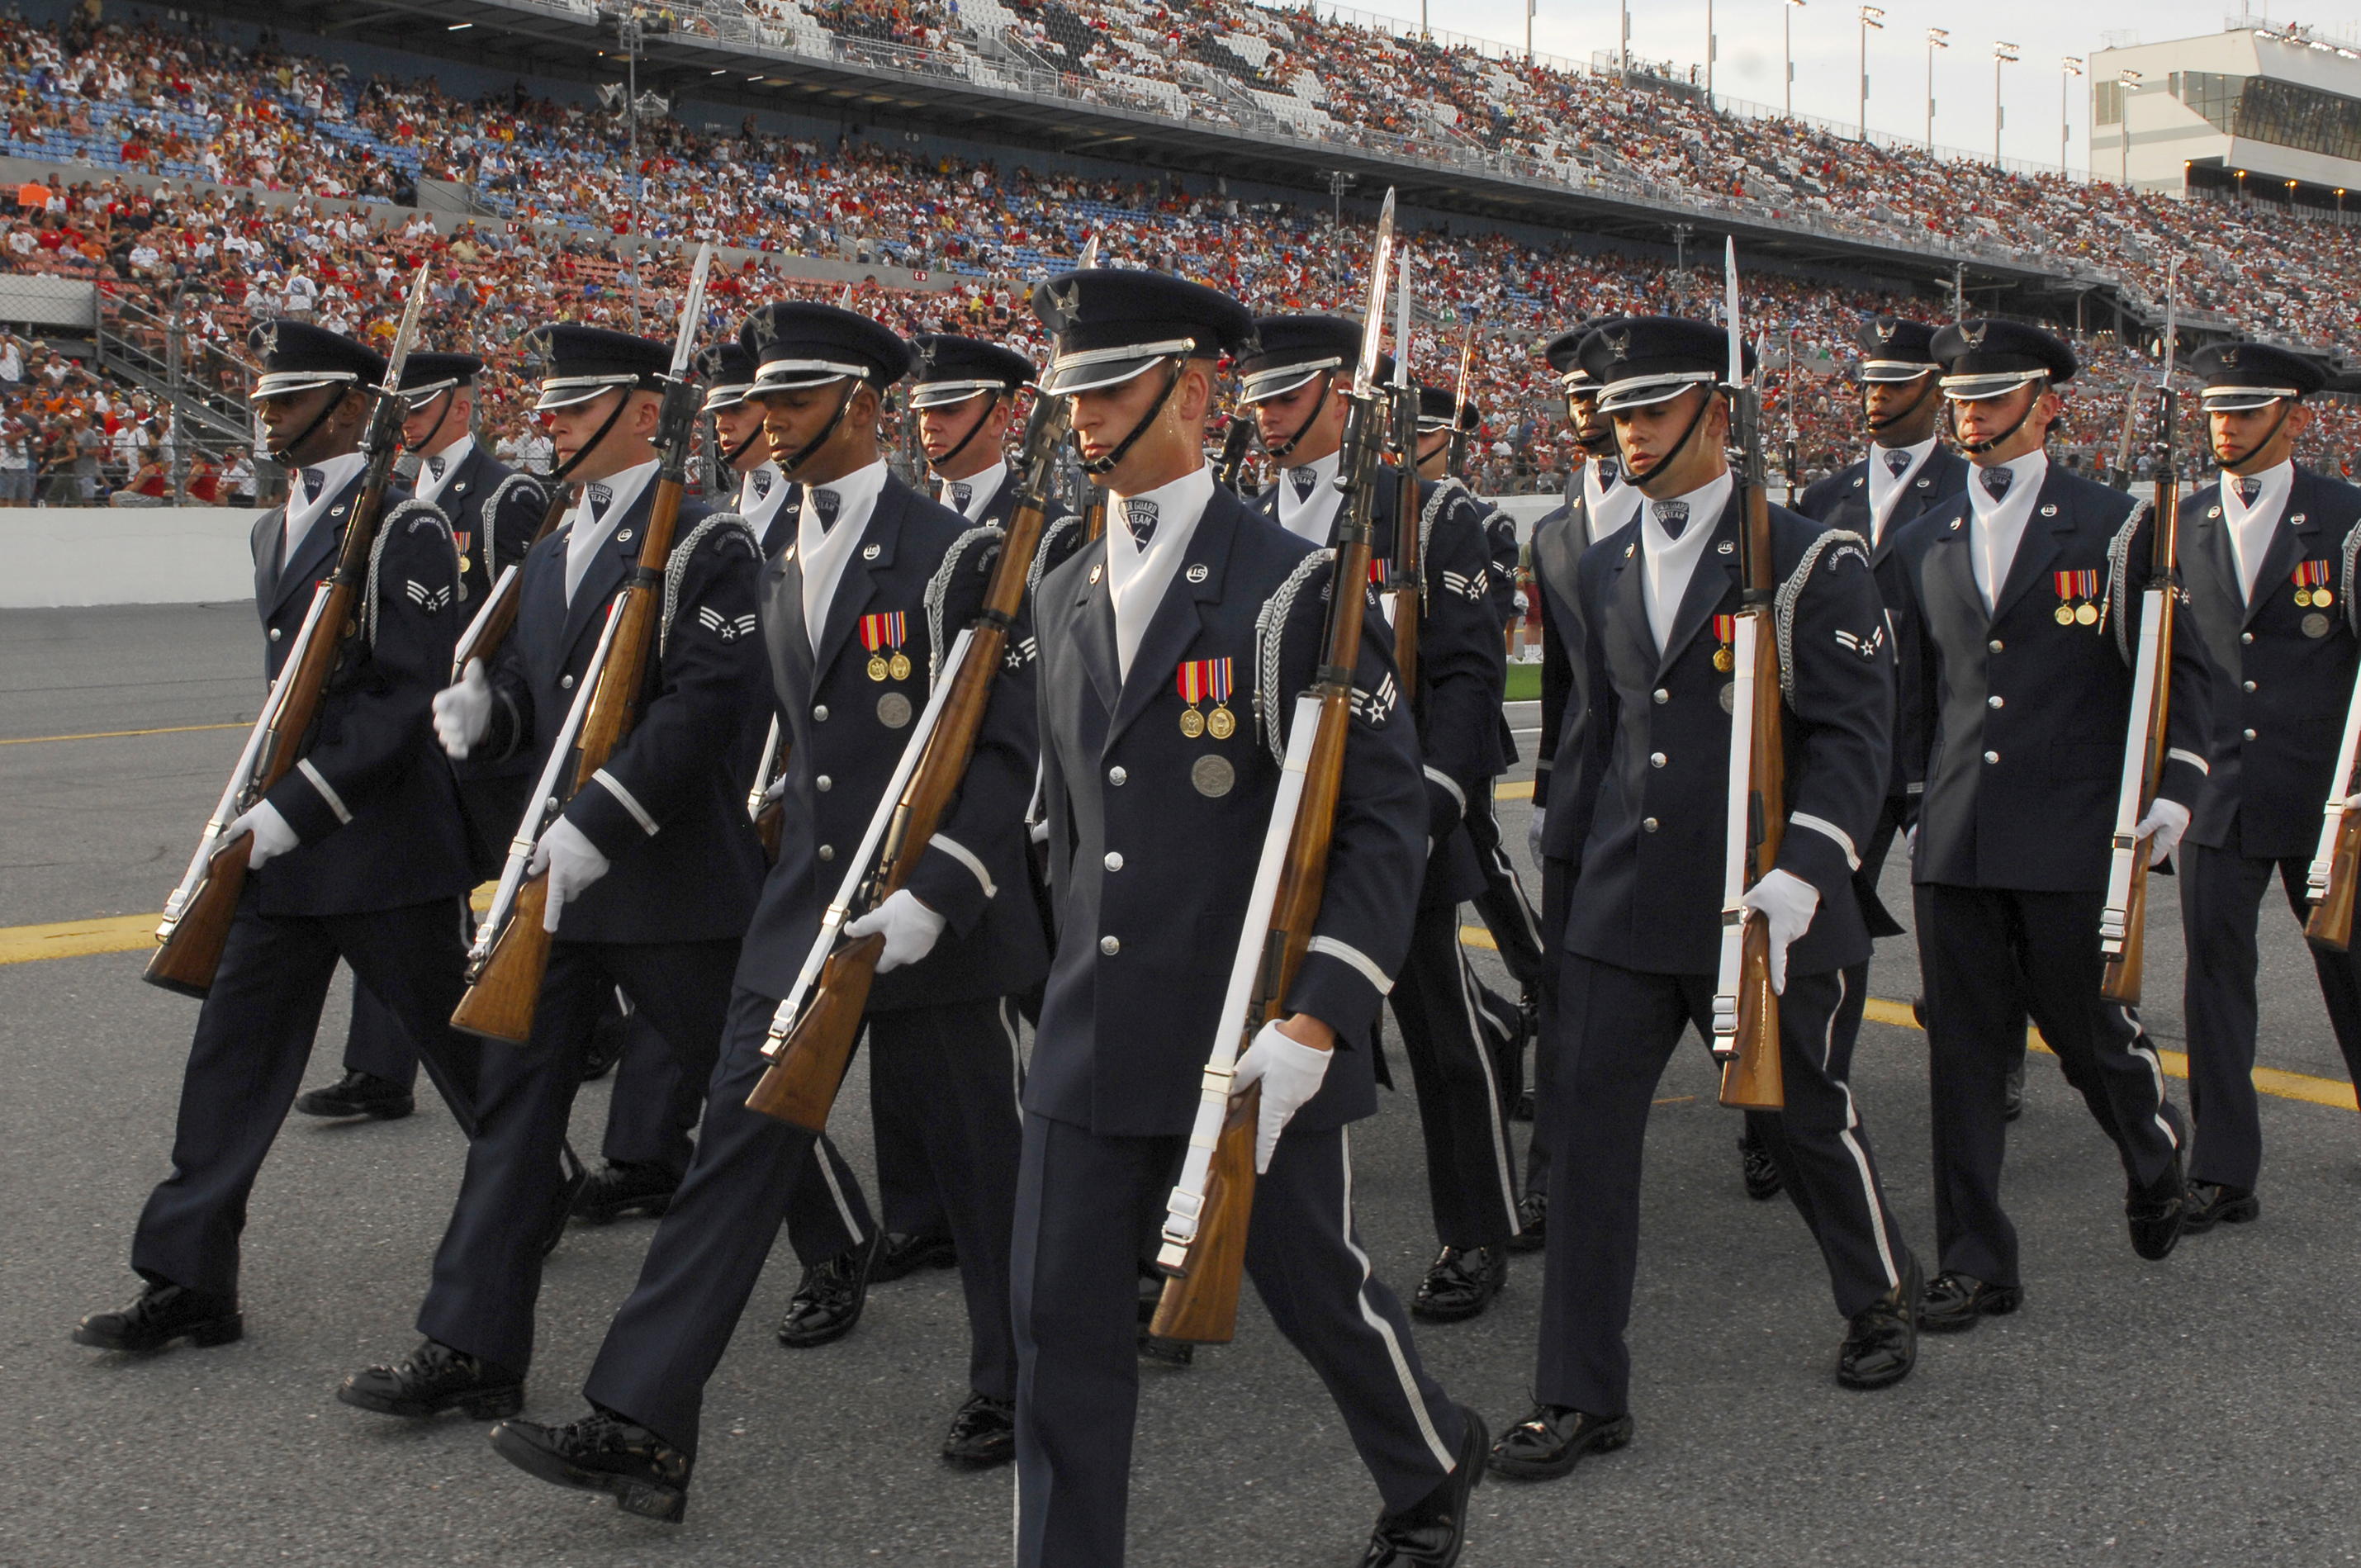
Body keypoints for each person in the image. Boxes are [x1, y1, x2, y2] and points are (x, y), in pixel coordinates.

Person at [483, 299, 1045, 1510]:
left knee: (983, 1168)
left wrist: (936, 891)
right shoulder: (774, 544)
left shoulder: (953, 554)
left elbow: (1007, 755)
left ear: (858, 402)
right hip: (800, 912)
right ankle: (638, 1417)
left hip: (931, 918)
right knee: (730, 1157)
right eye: (761, 399)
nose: (764, 419)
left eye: (791, 399)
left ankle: (1020, 1373)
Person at [1014, 270, 1484, 1567]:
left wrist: (1323, 1010)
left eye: (1110, 389)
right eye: (1072, 395)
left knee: (1311, 1290)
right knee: (1058, 1328)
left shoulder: (1291, 593)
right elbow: (1063, 812)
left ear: (1195, 387)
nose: (1086, 418)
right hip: (1090, 1030)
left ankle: (1431, 1455)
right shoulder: (1060, 584)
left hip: (1244, 1032)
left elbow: (1379, 822)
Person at [1491, 317, 1922, 1489]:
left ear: (1712, 414)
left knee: (1803, 1120)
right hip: (1625, 910)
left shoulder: (1808, 555)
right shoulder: (1599, 555)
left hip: (1760, 903)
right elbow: (1599, 723)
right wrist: (1560, 842)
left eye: (1648, 410)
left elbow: (1854, 734)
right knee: (1582, 1145)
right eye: (1617, 412)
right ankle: (1577, 1390)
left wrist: (1808, 863)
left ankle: (1876, 1293)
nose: (1624, 431)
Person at [337, 324, 769, 1421]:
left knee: (757, 1104)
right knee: (516, 1112)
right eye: (552, 410)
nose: (554, 428)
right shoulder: (554, 543)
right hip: (566, 886)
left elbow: (705, 701)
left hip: (673, 884)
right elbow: (543, 693)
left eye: (576, 411)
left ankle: (841, 1239)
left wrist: (601, 816)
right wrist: (490, 721)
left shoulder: (708, 540)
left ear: (637, 412)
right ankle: (470, 1342)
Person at [72, 321, 481, 1354]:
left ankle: (537, 1182)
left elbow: (404, 697)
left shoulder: (405, 528)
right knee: (230, 1068)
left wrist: (293, 806)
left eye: (286, 403)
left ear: (349, 407)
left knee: (472, 1064)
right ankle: (189, 1280)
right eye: (262, 403)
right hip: (285, 855)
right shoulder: (274, 528)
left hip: (383, 852)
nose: (267, 419)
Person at [1887, 318, 2209, 1333]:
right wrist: (1898, 803)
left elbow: (2182, 674)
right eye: (1961, 402)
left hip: (2074, 830)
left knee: (2086, 1032)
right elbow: (1916, 694)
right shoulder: (1922, 534)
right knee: (1965, 1055)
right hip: (1959, 835)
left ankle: (2153, 1155)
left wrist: (2176, 785)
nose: (1970, 418)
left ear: (2046, 402)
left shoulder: (2119, 528)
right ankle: (1978, 1262)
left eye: (1990, 400)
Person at [1240, 313, 1520, 1323]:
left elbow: (1466, 674)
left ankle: (1480, 1228)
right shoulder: (1245, 515)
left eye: (1284, 397)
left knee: (1444, 1038)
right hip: (1273, 830)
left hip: (1394, 824)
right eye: (1257, 400)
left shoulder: (1427, 513)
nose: (1267, 418)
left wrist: (1432, 800)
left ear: (1339, 396)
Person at [296, 349, 551, 1125]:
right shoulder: (394, 498)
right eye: (397, 406)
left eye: (420, 405)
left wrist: (493, 710)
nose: (402, 419)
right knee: (406, 903)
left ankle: (592, 1025)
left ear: (461, 408)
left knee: (526, 898)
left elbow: (528, 617)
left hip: (486, 734)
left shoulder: (506, 495)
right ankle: (380, 1070)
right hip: (417, 729)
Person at [1794, 318, 2026, 1119]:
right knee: (1828, 913)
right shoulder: (1823, 499)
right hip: (1848, 744)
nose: (1876, 398)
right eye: (1868, 384)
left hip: (1941, 740)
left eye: (1895, 383)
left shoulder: (1974, 490)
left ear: (1937, 389)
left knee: (1964, 929)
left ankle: (1993, 1060)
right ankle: (1814, 1082)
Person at [2174, 340, 2361, 1231]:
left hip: (2329, 798)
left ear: (2296, 417)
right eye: (2218, 412)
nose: (2227, 427)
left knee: (2352, 967)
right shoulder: (2181, 521)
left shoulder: (2350, 521)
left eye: (2246, 412)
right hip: (2222, 789)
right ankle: (2221, 1168)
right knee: (2213, 978)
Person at [1410, 381, 1545, 1113]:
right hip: (1397, 724)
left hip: (1457, 725)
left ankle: (1538, 969)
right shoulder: (1387, 507)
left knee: (1481, 857)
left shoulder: (1481, 519)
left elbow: (1483, 627)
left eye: (1425, 432)